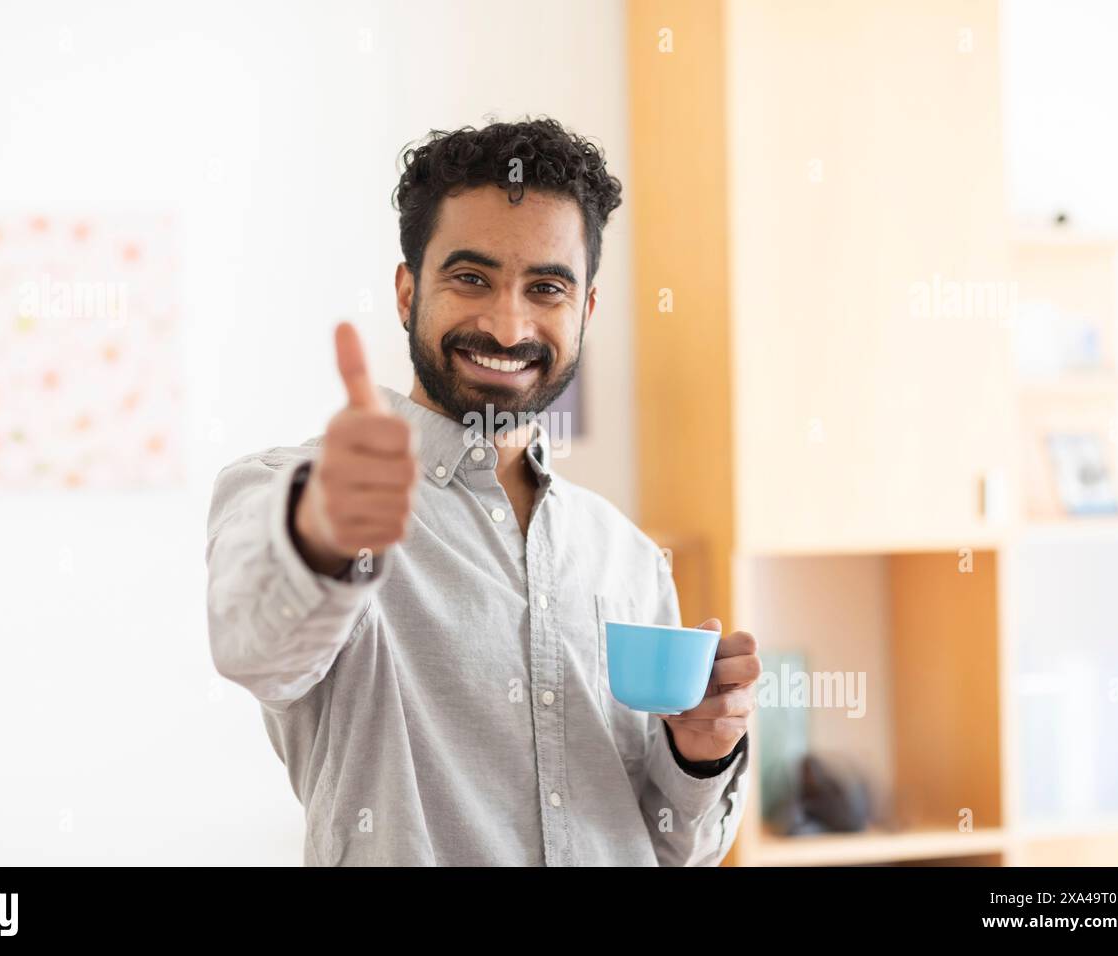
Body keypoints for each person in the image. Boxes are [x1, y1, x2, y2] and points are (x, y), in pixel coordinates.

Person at [205, 117, 760, 866]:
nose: (507, 324)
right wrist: (323, 534)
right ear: (407, 293)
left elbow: (672, 849)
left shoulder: (625, 555)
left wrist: (698, 754)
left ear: (585, 311)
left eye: (547, 288)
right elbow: (256, 646)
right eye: (472, 279)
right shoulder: (292, 493)